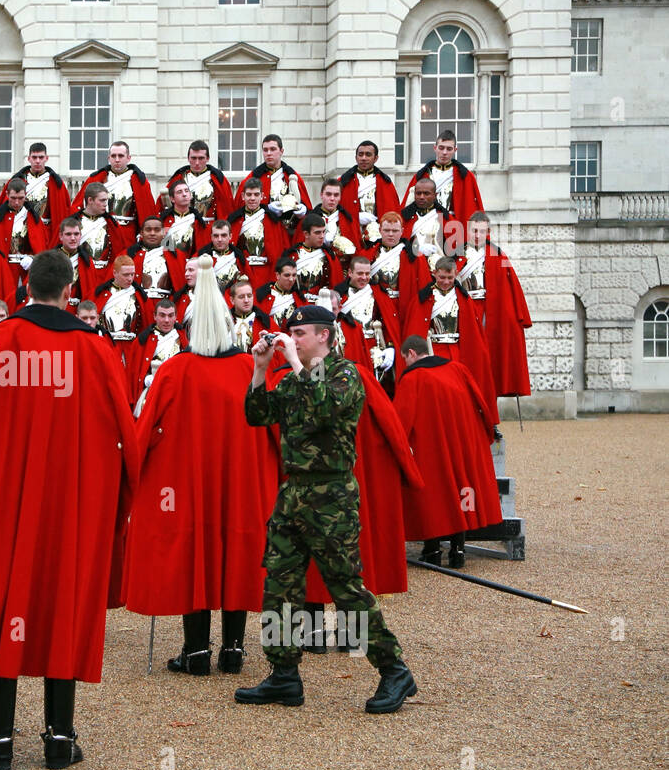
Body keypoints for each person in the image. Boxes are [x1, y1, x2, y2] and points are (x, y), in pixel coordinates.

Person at [0, 250, 140, 770]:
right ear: (69, 291)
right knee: (62, 607)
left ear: (27, 287)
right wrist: (119, 502)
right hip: (73, 504)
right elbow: (127, 439)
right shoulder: (96, 350)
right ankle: (59, 740)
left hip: (6, 503)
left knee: (3, 606)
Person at [236, 304, 416, 714]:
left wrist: (296, 363)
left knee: (345, 588)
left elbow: (322, 407)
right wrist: (261, 370)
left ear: (324, 336)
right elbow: (256, 414)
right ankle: (283, 674)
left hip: (331, 497)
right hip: (293, 494)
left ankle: (394, 670)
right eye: (291, 333)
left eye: (300, 333)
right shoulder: (291, 377)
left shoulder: (345, 375)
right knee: (279, 586)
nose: (292, 339)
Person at [123, 256, 278, 677]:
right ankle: (233, 649)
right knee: (237, 552)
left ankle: (195, 651)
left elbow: (143, 430)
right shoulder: (250, 367)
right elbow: (275, 426)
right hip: (241, 482)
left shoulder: (175, 371)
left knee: (197, 553)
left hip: (189, 485)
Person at [395, 336, 502, 568]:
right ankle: (458, 550)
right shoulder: (458, 368)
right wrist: (487, 432)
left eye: (404, 359)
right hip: (463, 444)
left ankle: (432, 550)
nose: (404, 364)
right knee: (463, 492)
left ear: (411, 354)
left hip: (431, 448)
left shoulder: (412, 378)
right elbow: (482, 404)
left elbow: (401, 421)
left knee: (434, 497)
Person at [400, 256, 499, 424]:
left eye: (450, 278)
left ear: (456, 274)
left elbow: (473, 331)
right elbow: (416, 326)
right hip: (434, 350)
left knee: (460, 391)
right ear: (434, 274)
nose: (446, 282)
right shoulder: (423, 298)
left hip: (457, 350)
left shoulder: (464, 298)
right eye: (442, 277)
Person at [451, 211, 533, 399]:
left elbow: (511, 286)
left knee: (489, 360)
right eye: (474, 231)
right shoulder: (457, 254)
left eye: (481, 231)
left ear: (487, 232)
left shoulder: (498, 255)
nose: (477, 235)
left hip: (489, 310)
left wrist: (515, 317)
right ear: (467, 231)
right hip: (466, 308)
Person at [72, 140, 158, 254]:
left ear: (128, 158)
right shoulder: (97, 178)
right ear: (109, 158)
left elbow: (146, 210)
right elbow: (79, 207)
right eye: (113, 156)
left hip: (127, 232)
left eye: (121, 156)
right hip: (102, 229)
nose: (117, 159)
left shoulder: (138, 180)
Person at [402, 129, 485, 227]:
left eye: (449, 149)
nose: (444, 152)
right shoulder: (422, 175)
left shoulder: (465, 176)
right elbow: (408, 205)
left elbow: (471, 208)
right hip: (424, 225)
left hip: (451, 226)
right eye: (441, 148)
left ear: (455, 150)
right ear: (435, 148)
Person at [228, 178, 290, 292]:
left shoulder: (272, 219)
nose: (252, 198)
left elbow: (283, 248)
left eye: (256, 194)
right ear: (243, 196)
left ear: (262, 196)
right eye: (249, 194)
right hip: (244, 271)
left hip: (266, 271)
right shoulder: (235, 220)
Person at [338, 140, 401, 248]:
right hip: (351, 231)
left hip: (377, 234)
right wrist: (355, 217)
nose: (364, 158)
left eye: (368, 154)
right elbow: (336, 209)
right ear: (356, 157)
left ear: (376, 158)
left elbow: (392, 211)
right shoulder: (344, 181)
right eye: (360, 154)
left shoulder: (385, 182)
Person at [127, 298, 188, 409]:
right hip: (150, 394)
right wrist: (146, 379)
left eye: (170, 316)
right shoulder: (142, 341)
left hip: (178, 393)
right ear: (154, 316)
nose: (166, 320)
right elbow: (133, 373)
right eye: (162, 315)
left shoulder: (184, 339)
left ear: (175, 317)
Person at [245, 134, 309, 229]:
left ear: (281, 151)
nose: (269, 153)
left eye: (273, 149)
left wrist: (303, 209)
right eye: (265, 150)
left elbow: (306, 206)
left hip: (289, 230)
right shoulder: (254, 176)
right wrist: (267, 208)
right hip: (264, 229)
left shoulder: (292, 175)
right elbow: (242, 207)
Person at [165, 139, 235, 224]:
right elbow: (165, 206)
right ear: (188, 158)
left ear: (207, 158)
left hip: (208, 229)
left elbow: (226, 208)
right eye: (193, 158)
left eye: (201, 158)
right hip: (182, 225)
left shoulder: (218, 179)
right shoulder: (178, 178)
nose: (197, 162)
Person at [9, 142, 71, 229]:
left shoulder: (55, 182)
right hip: (23, 229)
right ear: (29, 158)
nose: (37, 161)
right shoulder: (19, 179)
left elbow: (64, 211)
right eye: (34, 157)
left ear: (46, 158)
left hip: (46, 230)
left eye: (41, 157)